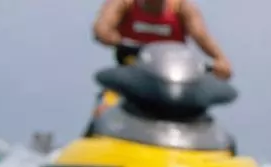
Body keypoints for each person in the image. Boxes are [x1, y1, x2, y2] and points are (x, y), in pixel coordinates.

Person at [87, 0, 233, 126]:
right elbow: (102, 27)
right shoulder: (125, 3)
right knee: (104, 111)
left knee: (199, 119)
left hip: (172, 87)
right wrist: (112, 38)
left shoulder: (182, 8)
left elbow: (200, 34)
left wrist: (220, 59)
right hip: (130, 81)